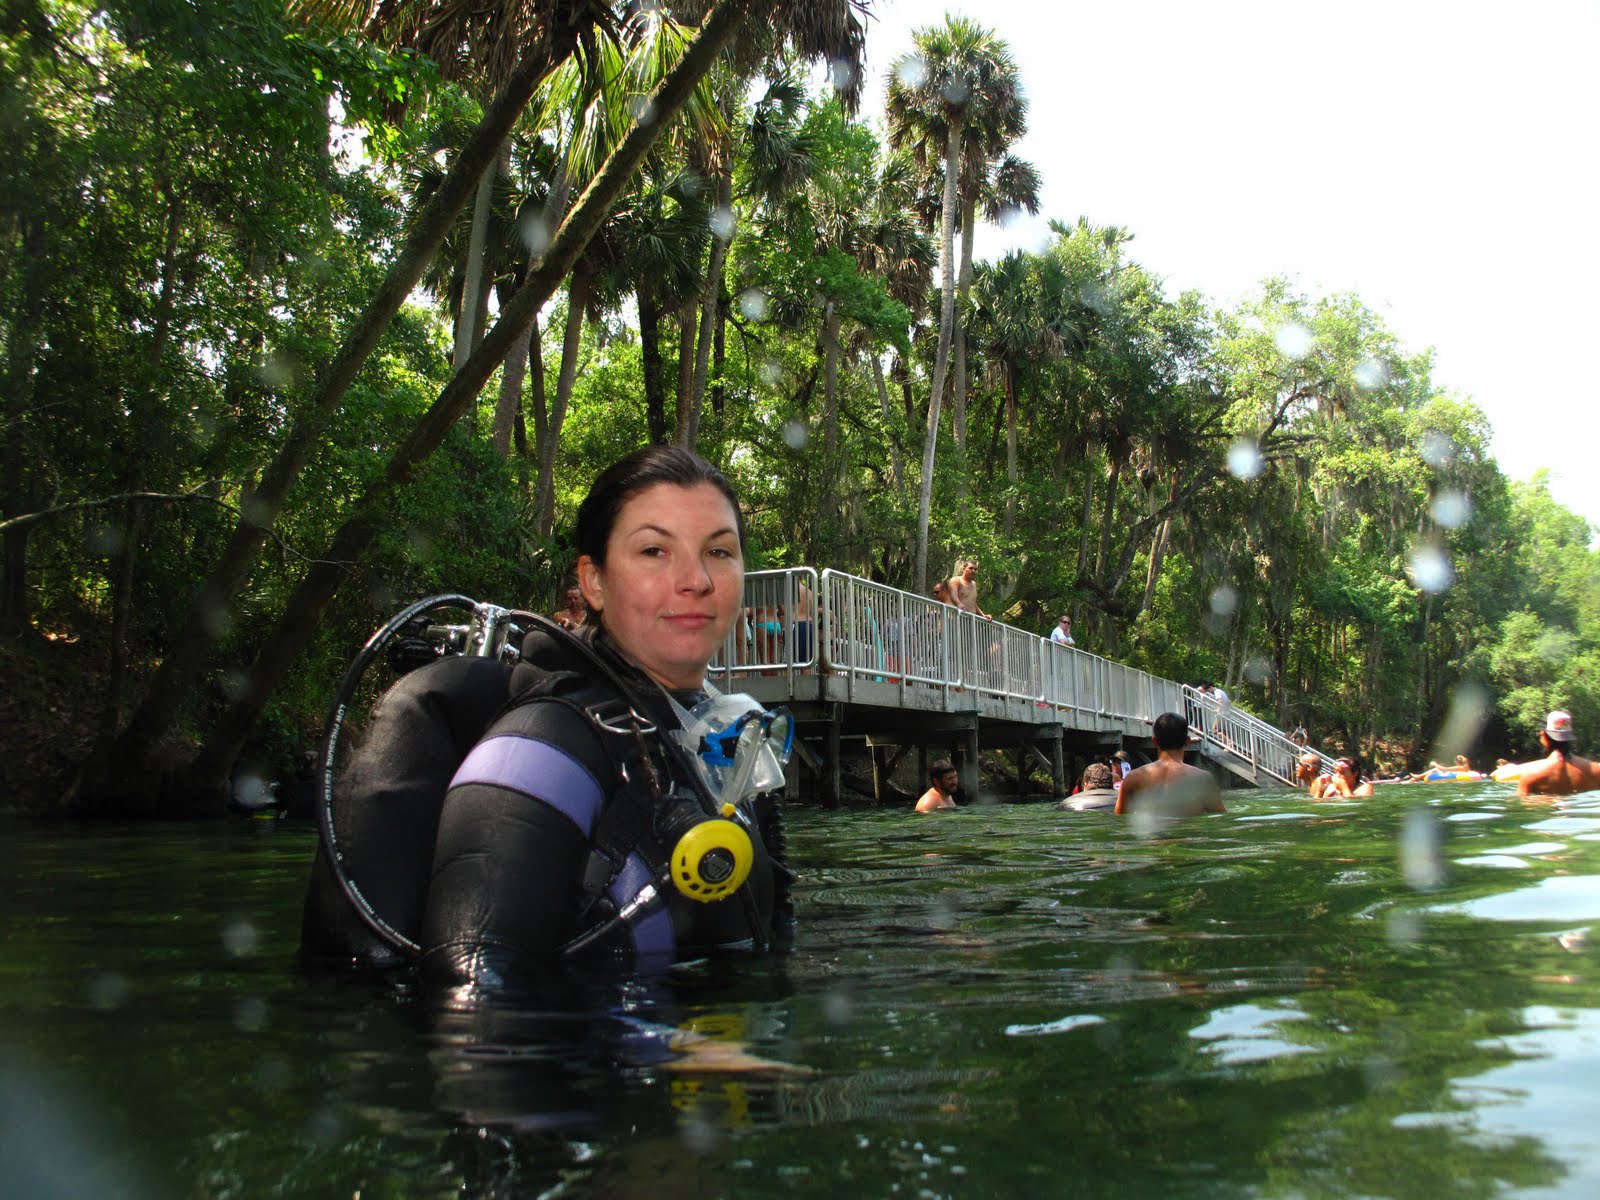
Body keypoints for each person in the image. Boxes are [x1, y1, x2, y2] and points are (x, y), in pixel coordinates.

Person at [301, 445, 789, 991]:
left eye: (719, 552)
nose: (696, 579)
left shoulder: (706, 733)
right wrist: (665, 1054)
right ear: (595, 581)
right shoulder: (541, 748)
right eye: (654, 550)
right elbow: (475, 1004)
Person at [1115, 713, 1225, 817]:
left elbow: (1120, 819)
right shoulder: (1203, 779)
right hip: (1187, 835)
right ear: (1187, 741)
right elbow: (1220, 818)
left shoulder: (1133, 778)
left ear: (1154, 741)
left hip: (1151, 836)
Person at [1517, 710, 1600, 796]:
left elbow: (1522, 804)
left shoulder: (1531, 774)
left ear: (1544, 734)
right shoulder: (1596, 771)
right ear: (1569, 735)